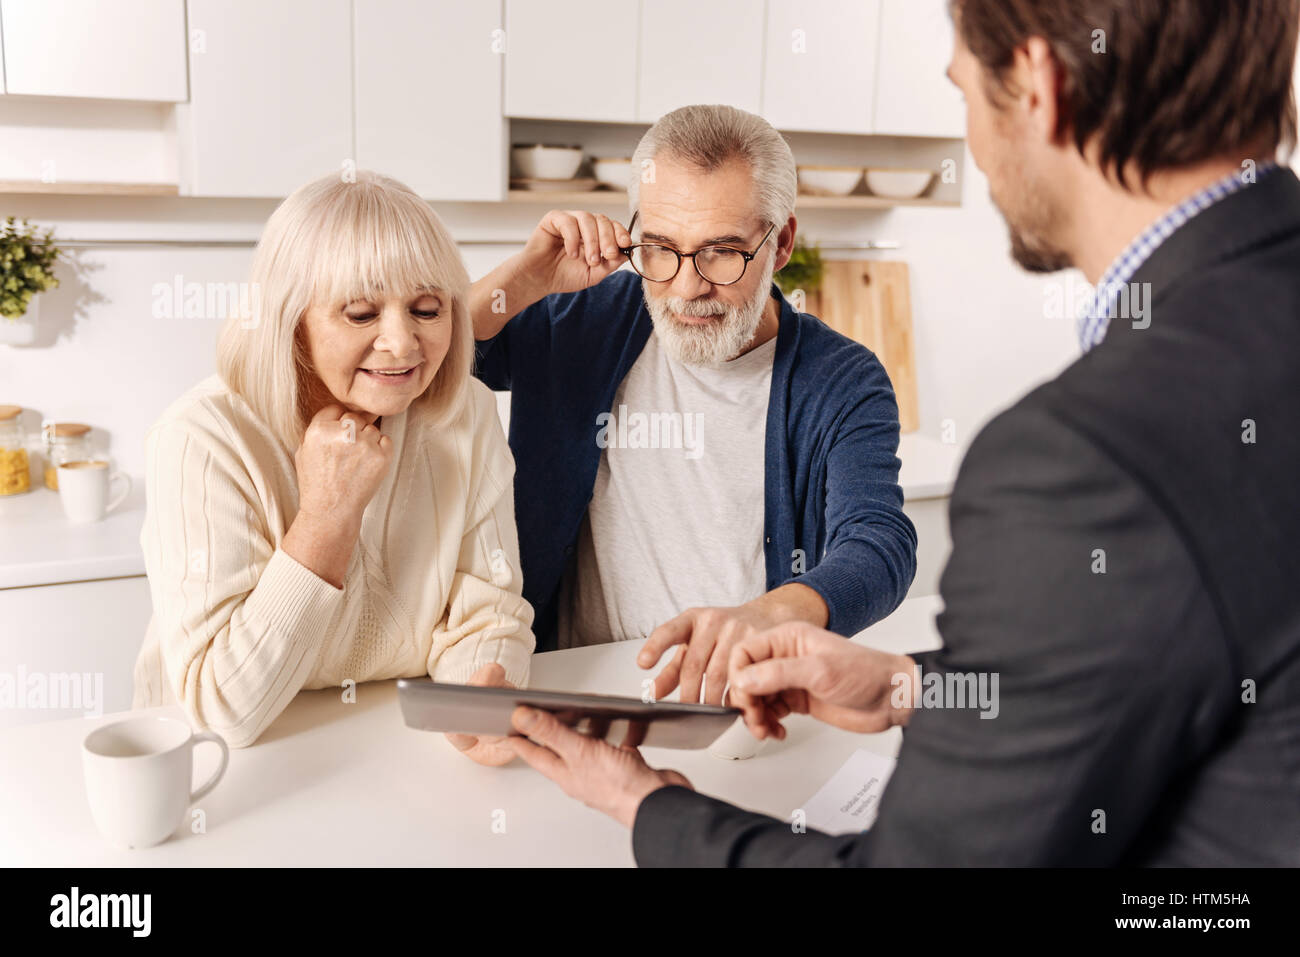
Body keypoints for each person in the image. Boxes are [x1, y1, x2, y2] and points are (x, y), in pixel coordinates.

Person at [505, 0, 1300, 865]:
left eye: (963, 90)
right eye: (663, 248)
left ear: (1038, 87)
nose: (690, 280)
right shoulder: (1253, 330)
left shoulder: (1084, 457)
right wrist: (906, 683)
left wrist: (648, 805)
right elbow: (1140, 679)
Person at [472, 105, 917, 704]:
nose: (687, 286)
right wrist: (524, 280)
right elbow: (427, 361)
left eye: (721, 252)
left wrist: (772, 615)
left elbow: (879, 544)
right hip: (572, 689)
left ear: (780, 243)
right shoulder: (585, 318)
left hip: (733, 702)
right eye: (659, 247)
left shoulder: (840, 380)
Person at [133, 171, 534, 761]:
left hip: (393, 755)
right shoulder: (201, 438)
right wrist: (326, 518)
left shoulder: (464, 412)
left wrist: (477, 700)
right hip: (221, 771)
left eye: (427, 308)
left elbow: (488, 613)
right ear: (292, 323)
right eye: (360, 314)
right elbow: (226, 711)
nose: (402, 342)